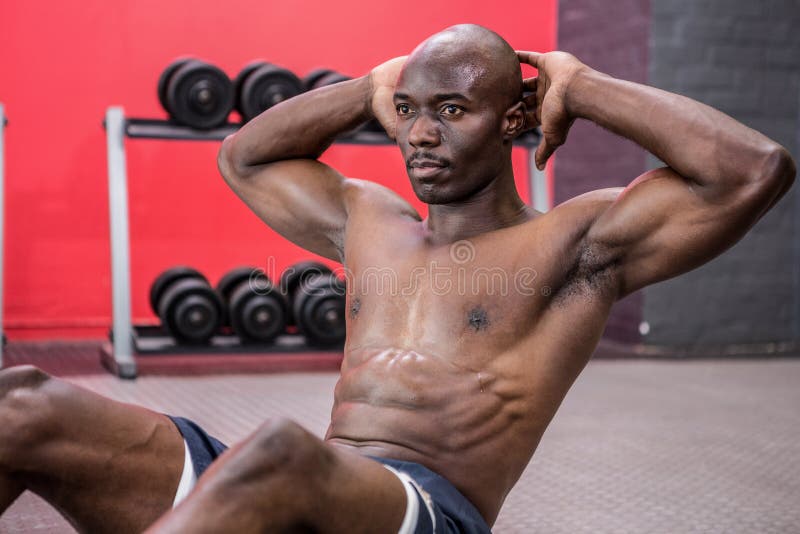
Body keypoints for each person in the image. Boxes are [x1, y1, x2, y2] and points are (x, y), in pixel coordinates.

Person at [0, 24, 795, 533]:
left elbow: (753, 170)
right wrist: (368, 86)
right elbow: (243, 156)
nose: (420, 134)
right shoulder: (368, 221)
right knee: (24, 401)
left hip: (421, 510)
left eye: (451, 110)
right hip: (297, 492)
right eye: (409, 110)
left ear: (516, 118)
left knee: (280, 450)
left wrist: (577, 84)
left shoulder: (578, 242)